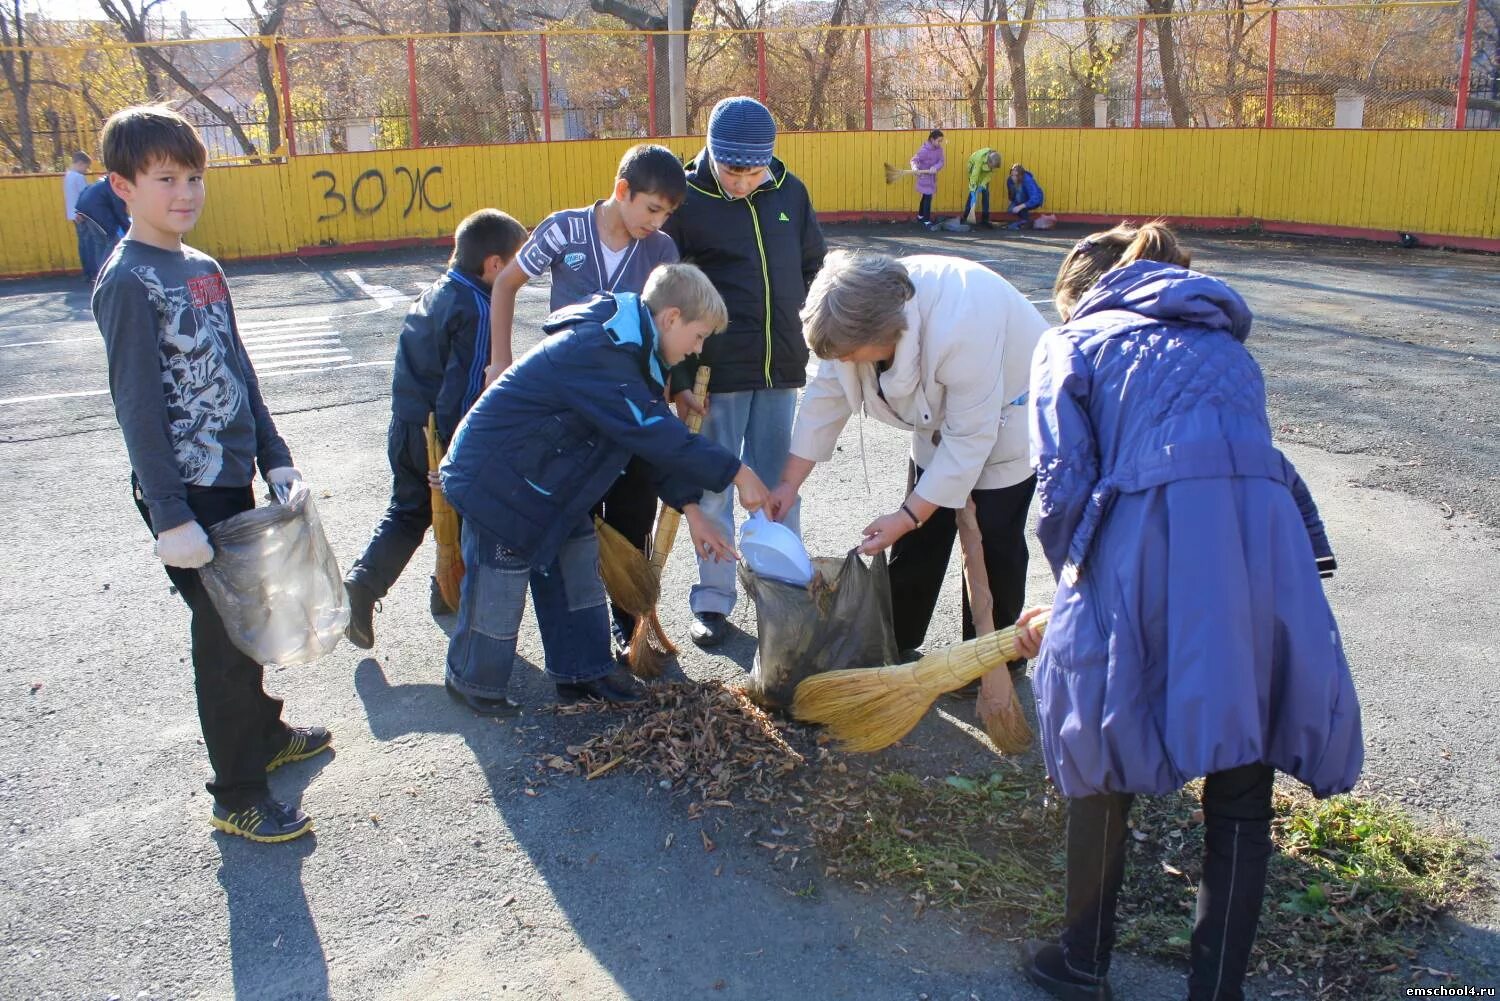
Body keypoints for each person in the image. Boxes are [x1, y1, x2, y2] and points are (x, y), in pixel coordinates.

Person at [1012, 222, 1362, 1001]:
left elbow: (1062, 480)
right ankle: (1217, 989)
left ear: (1078, 294)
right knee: (1243, 765)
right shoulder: (1229, 345)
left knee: (1104, 742)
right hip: (1258, 557)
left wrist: (1070, 581)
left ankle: (1081, 959)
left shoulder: (1075, 340)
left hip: (1150, 545)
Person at [91, 106, 331, 844]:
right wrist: (169, 514)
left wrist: (275, 453)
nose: (185, 192)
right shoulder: (129, 280)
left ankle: (262, 732)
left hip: (231, 481)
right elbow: (138, 408)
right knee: (222, 642)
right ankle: (237, 792)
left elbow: (238, 372)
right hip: (187, 494)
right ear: (123, 186)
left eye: (193, 176)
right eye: (165, 178)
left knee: (245, 619)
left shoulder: (202, 268)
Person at [439, 264, 771, 715]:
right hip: (499, 480)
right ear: (671, 318)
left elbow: (645, 442)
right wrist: (738, 472)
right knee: (498, 581)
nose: (698, 349)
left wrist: (692, 510)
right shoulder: (600, 349)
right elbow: (651, 429)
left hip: (551, 483)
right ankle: (471, 680)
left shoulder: (639, 356)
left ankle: (582, 672)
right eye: (698, 337)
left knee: (576, 566)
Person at [768, 251, 1047, 685]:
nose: (844, 363)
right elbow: (825, 400)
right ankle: (895, 635)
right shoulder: (848, 312)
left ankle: (996, 659)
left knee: (996, 540)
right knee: (919, 540)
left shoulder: (963, 321)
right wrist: (788, 484)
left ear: (888, 334)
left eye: (850, 355)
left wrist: (907, 515)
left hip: (1010, 412)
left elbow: (970, 437)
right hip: (935, 421)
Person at [484, 144, 685, 658]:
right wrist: (500, 362)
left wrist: (670, 386)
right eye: (651, 208)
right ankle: (583, 630)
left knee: (633, 512)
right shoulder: (563, 228)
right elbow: (506, 284)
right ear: (622, 191)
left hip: (632, 401)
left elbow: (669, 324)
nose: (657, 222)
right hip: (567, 402)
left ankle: (629, 621)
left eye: (666, 214)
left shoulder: (660, 250)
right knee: (576, 512)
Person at [662, 96, 826, 648]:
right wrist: (680, 379)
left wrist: (794, 322)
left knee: (781, 484)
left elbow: (810, 264)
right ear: (711, 153)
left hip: (780, 367)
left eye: (754, 171)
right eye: (733, 170)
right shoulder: (686, 201)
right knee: (715, 485)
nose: (742, 182)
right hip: (714, 375)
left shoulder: (790, 192)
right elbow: (669, 296)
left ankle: (784, 590)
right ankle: (712, 599)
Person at [343, 208, 529, 649]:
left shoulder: (435, 291)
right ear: (495, 265)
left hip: (406, 426)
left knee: (409, 512)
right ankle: (462, 607)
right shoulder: (481, 307)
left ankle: (364, 585)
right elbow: (462, 390)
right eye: (520, 261)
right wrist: (452, 455)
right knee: (471, 518)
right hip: (441, 436)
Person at [75, 173, 130, 283]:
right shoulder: (115, 187)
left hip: (84, 210)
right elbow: (119, 211)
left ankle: (100, 273)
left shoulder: (101, 183)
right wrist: (128, 228)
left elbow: (85, 191)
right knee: (112, 240)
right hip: (96, 211)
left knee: (99, 243)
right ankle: (105, 273)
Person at [62, 151, 93, 279]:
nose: (86, 170)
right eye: (86, 166)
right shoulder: (78, 177)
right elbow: (84, 195)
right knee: (88, 243)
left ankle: (86, 271)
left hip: (73, 214)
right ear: (80, 163)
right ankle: (92, 271)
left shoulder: (67, 176)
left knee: (82, 243)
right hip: (82, 214)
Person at [909, 129, 945, 229]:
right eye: (938, 140)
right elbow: (914, 160)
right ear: (932, 139)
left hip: (932, 176)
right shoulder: (924, 150)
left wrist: (935, 167)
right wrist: (915, 168)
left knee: (925, 196)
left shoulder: (939, 150)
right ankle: (926, 220)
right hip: (924, 176)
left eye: (941, 141)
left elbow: (941, 161)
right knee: (928, 196)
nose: (940, 143)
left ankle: (920, 216)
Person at [963, 147, 1001, 229]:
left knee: (985, 193)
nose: (992, 168)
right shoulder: (979, 158)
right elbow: (975, 174)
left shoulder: (994, 164)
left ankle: (985, 219)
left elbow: (989, 175)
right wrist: (973, 186)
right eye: (991, 166)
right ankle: (966, 216)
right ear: (988, 161)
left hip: (984, 174)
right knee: (972, 194)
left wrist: (983, 185)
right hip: (973, 170)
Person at [1004, 163, 1044, 230]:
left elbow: (1035, 198)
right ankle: (1024, 220)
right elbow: (1011, 196)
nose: (1013, 178)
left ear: (1020, 175)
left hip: (1035, 200)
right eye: (1012, 175)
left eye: (1016, 175)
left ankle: (1026, 220)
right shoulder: (1009, 180)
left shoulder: (1028, 180)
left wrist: (1020, 206)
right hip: (1020, 199)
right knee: (1011, 209)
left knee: (1019, 196)